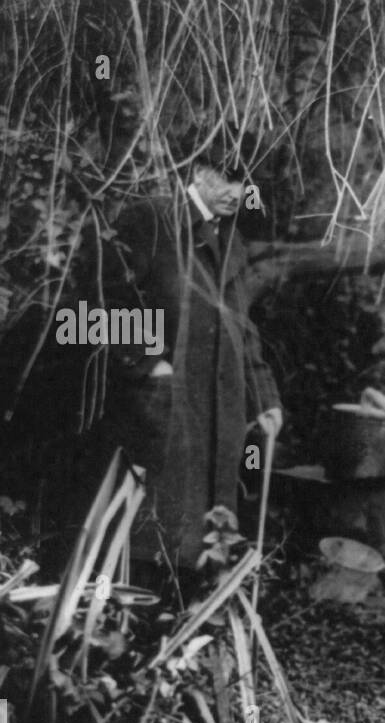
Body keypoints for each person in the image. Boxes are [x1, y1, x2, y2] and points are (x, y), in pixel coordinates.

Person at [94, 135, 283, 600]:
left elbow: (243, 327)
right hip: (164, 401)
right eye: (227, 176)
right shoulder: (152, 221)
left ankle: (189, 626)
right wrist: (146, 365)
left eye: (244, 182)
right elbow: (103, 294)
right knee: (153, 522)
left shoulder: (232, 241)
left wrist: (264, 398)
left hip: (220, 404)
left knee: (209, 526)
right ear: (197, 170)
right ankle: (136, 626)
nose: (236, 191)